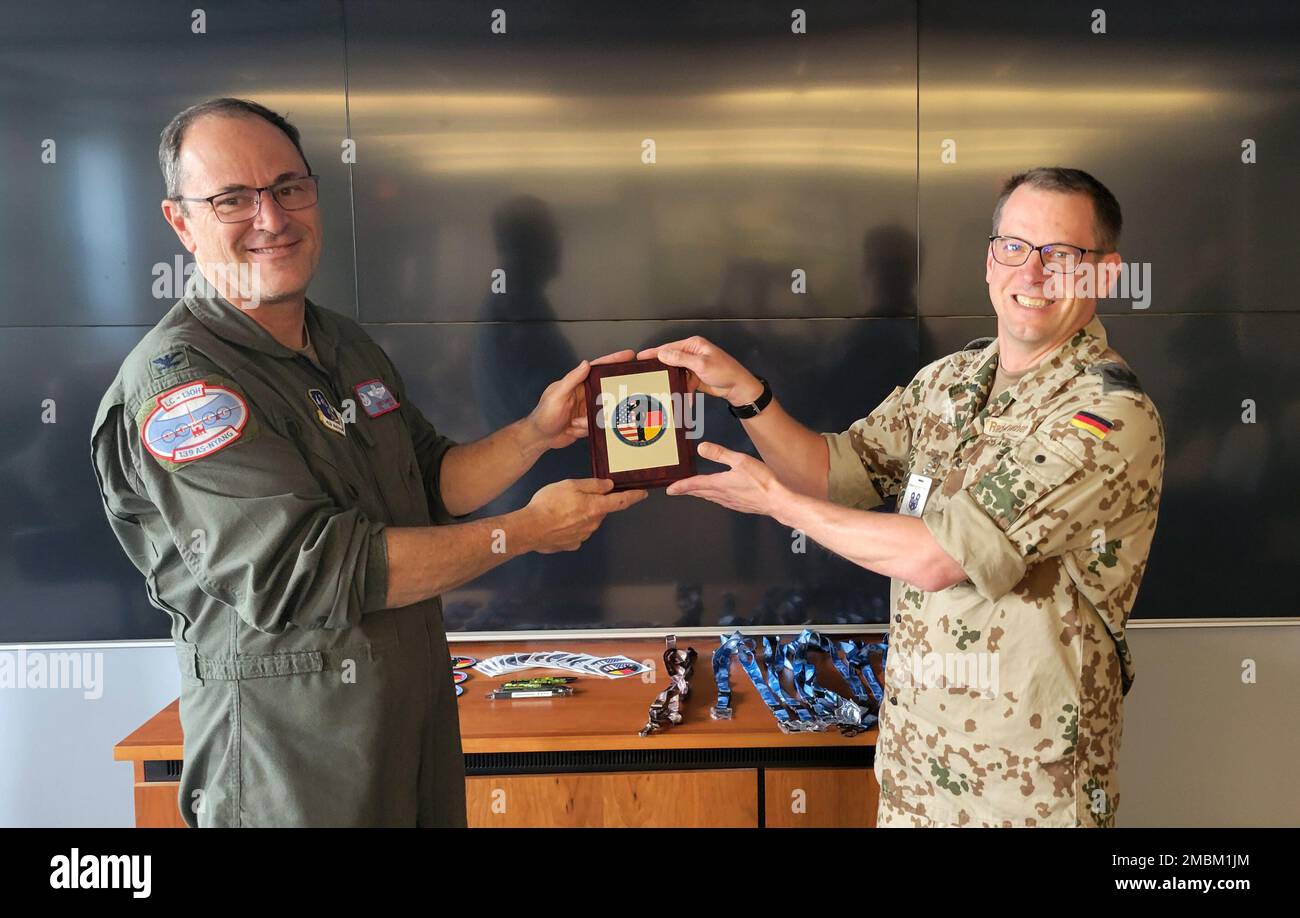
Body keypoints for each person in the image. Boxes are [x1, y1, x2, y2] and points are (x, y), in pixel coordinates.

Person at [90, 97, 645, 827]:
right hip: (294, 765)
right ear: (181, 222)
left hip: (407, 736)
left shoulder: (343, 343)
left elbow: (430, 480)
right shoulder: (183, 389)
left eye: (289, 187)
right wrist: (528, 532)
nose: (272, 218)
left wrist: (535, 433)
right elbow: (311, 568)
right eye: (233, 199)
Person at [640, 167, 1165, 827]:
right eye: (1014, 247)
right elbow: (832, 474)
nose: (1031, 274)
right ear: (989, 260)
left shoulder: (1108, 414)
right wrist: (745, 390)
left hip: (1030, 789)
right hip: (920, 769)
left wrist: (777, 502)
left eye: (1061, 255)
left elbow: (940, 556)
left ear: (1104, 275)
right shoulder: (949, 380)